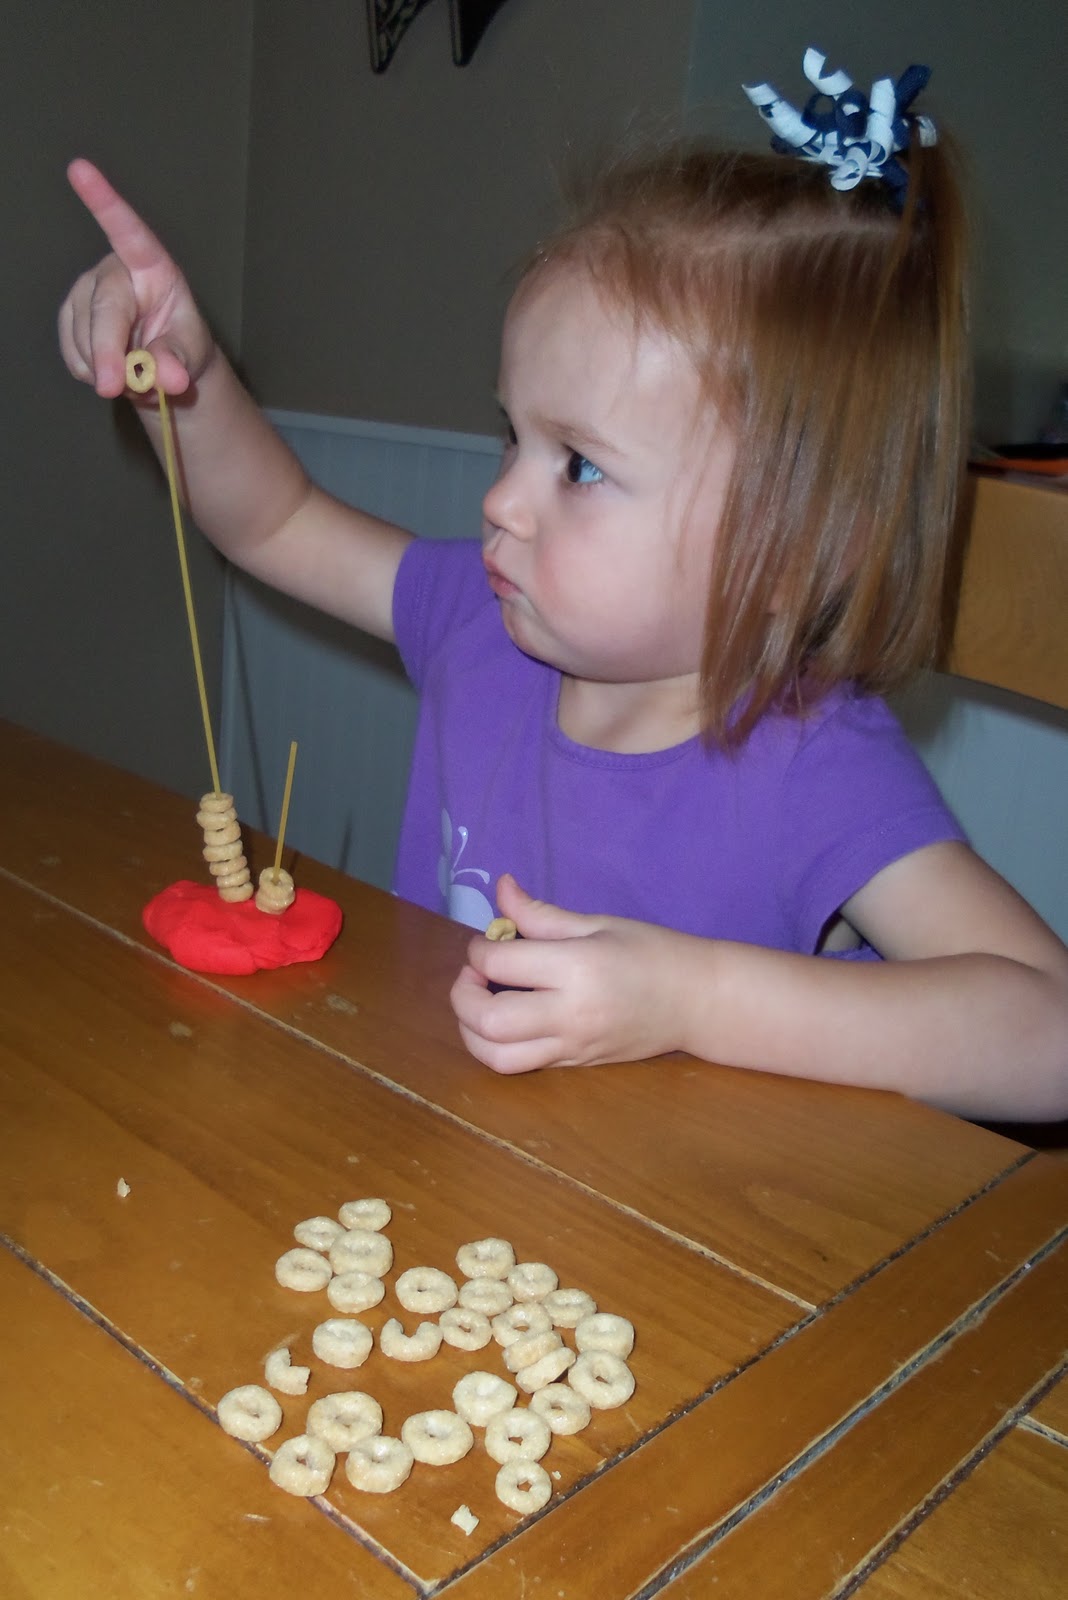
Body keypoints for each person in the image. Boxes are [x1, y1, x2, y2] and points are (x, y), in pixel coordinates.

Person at [58, 50, 1068, 1122]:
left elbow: (1049, 1035)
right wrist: (195, 383)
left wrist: (692, 998)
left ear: (792, 550)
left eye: (580, 465)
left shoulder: (812, 758)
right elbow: (276, 520)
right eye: (513, 436)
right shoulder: (478, 623)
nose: (501, 500)